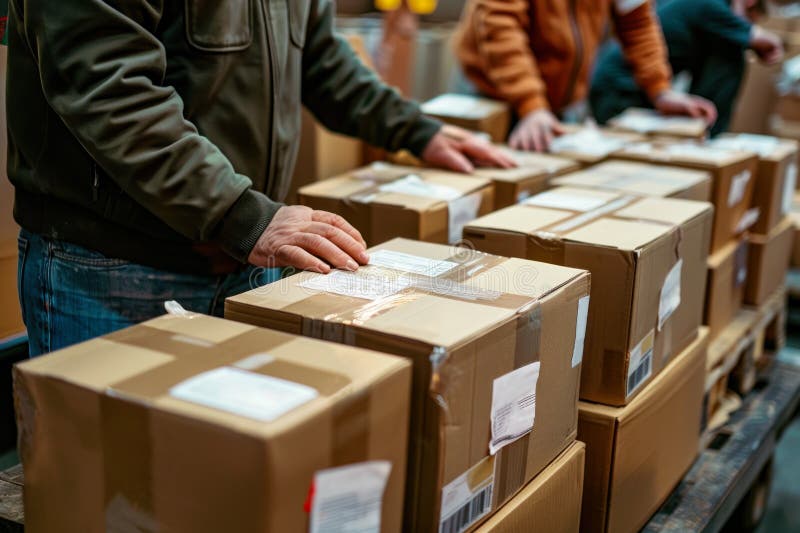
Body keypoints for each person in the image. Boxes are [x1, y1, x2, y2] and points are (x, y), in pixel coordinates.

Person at [7, 0, 514, 356]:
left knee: (213, 488)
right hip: (114, 267)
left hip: (237, 259)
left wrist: (415, 130)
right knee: (113, 498)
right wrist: (242, 215)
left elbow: (320, 56)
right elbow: (109, 89)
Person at [455, 0, 718, 152]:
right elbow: (500, 26)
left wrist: (661, 90)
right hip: (493, 94)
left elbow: (636, 22)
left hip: (557, 106)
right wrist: (531, 105)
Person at [591, 0, 783, 136]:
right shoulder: (711, 6)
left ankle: (704, 134)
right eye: (750, 19)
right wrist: (751, 35)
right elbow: (767, 42)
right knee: (732, 48)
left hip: (640, 87)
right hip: (619, 89)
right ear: (750, 2)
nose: (745, 24)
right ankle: (709, 137)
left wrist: (663, 94)